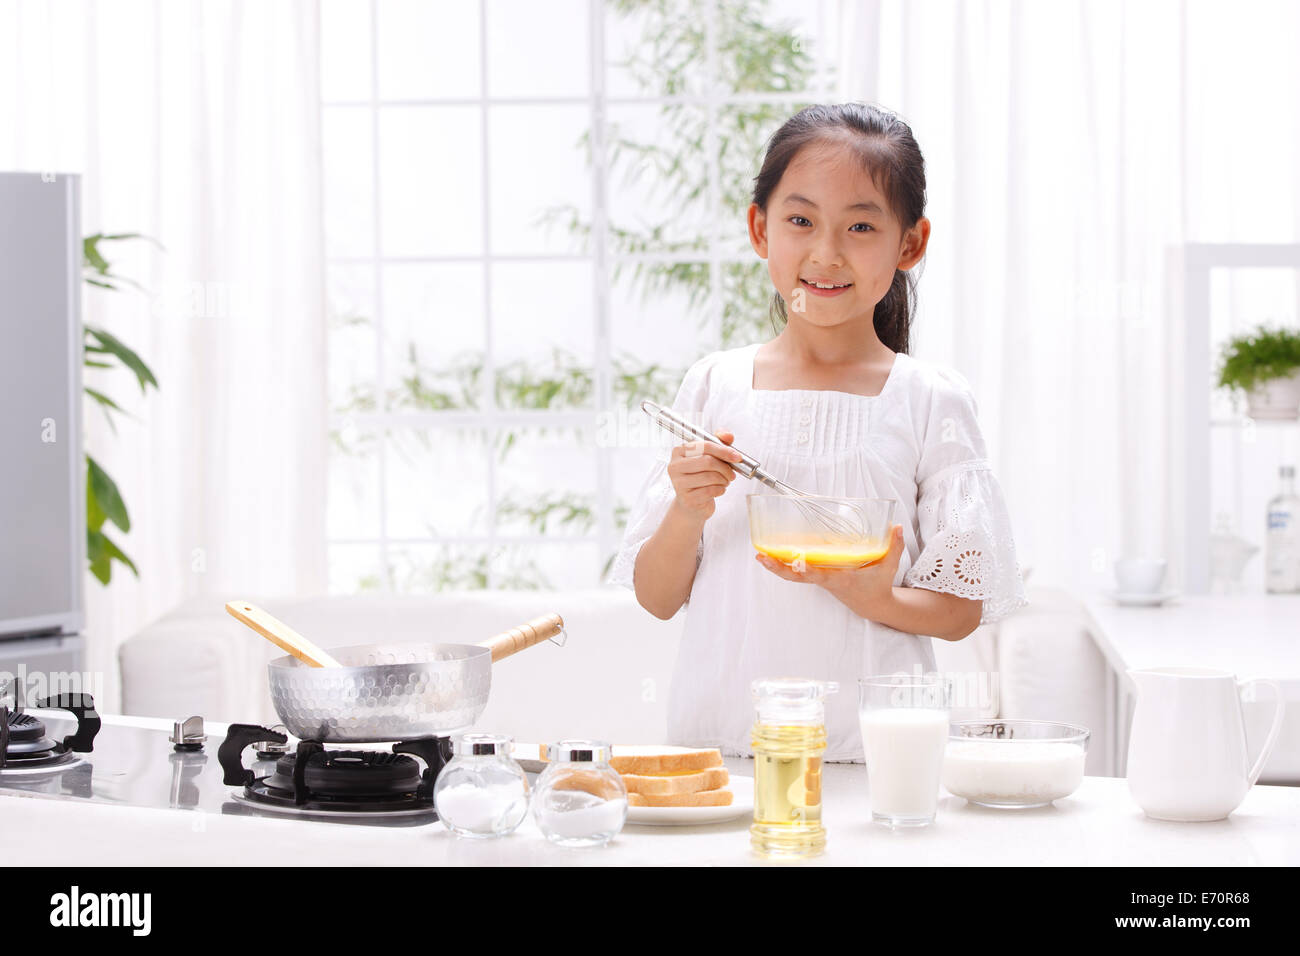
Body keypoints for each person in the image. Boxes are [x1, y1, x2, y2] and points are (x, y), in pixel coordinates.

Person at [607, 103, 1027, 762]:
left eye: (861, 226)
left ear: (910, 244)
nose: (826, 254)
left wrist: (876, 596)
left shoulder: (931, 400)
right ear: (759, 228)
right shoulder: (715, 384)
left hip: (874, 757)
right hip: (720, 750)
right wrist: (689, 508)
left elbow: (960, 609)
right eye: (800, 221)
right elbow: (657, 598)